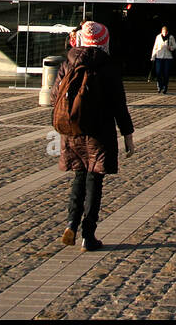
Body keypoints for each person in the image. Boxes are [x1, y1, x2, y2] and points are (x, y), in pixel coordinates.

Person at [53, 21, 134, 252]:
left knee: (78, 177)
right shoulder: (107, 66)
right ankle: (88, 234)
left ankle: (71, 223)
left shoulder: (67, 63)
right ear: (103, 41)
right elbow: (119, 105)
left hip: (73, 132)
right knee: (94, 180)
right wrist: (127, 135)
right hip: (99, 133)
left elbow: (54, 97)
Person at [150, 25, 176, 94]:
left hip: (167, 57)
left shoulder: (170, 37)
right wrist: (153, 56)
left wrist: (170, 48)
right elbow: (155, 47)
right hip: (159, 56)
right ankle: (159, 85)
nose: (164, 34)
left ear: (167, 32)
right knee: (158, 72)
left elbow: (175, 45)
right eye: (163, 32)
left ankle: (165, 86)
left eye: (165, 32)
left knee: (166, 73)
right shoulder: (158, 37)